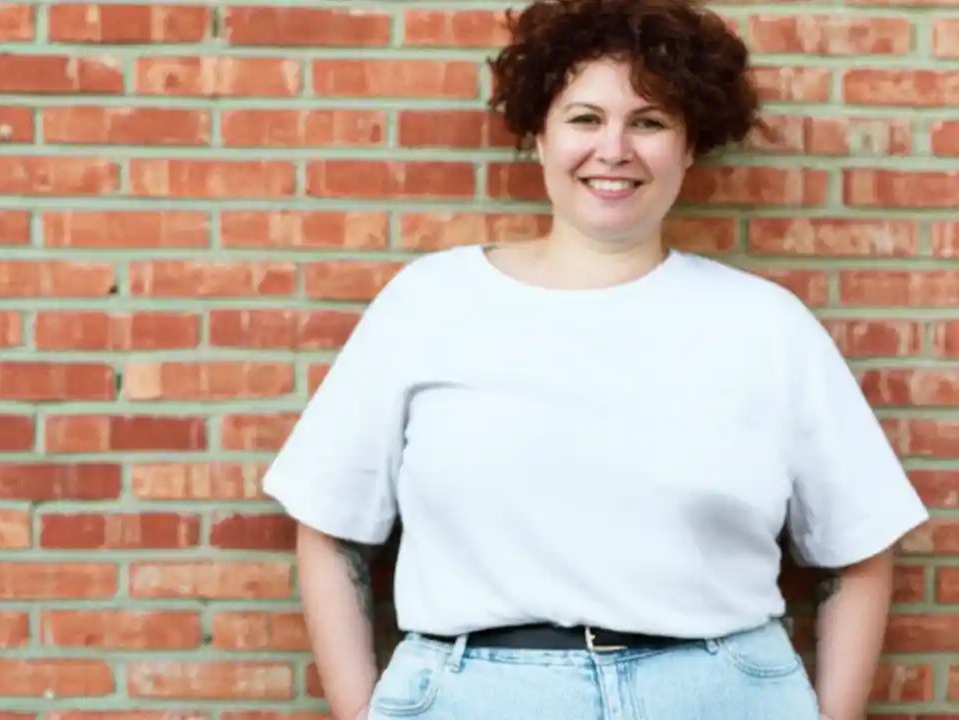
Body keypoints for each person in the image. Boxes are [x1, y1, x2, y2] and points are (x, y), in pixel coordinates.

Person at [261, 0, 931, 717]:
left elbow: (859, 547)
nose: (614, 149)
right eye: (585, 118)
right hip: (477, 693)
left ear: (690, 145)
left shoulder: (765, 326)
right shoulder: (430, 303)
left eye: (649, 122)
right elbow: (328, 531)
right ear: (539, 137)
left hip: (719, 693)